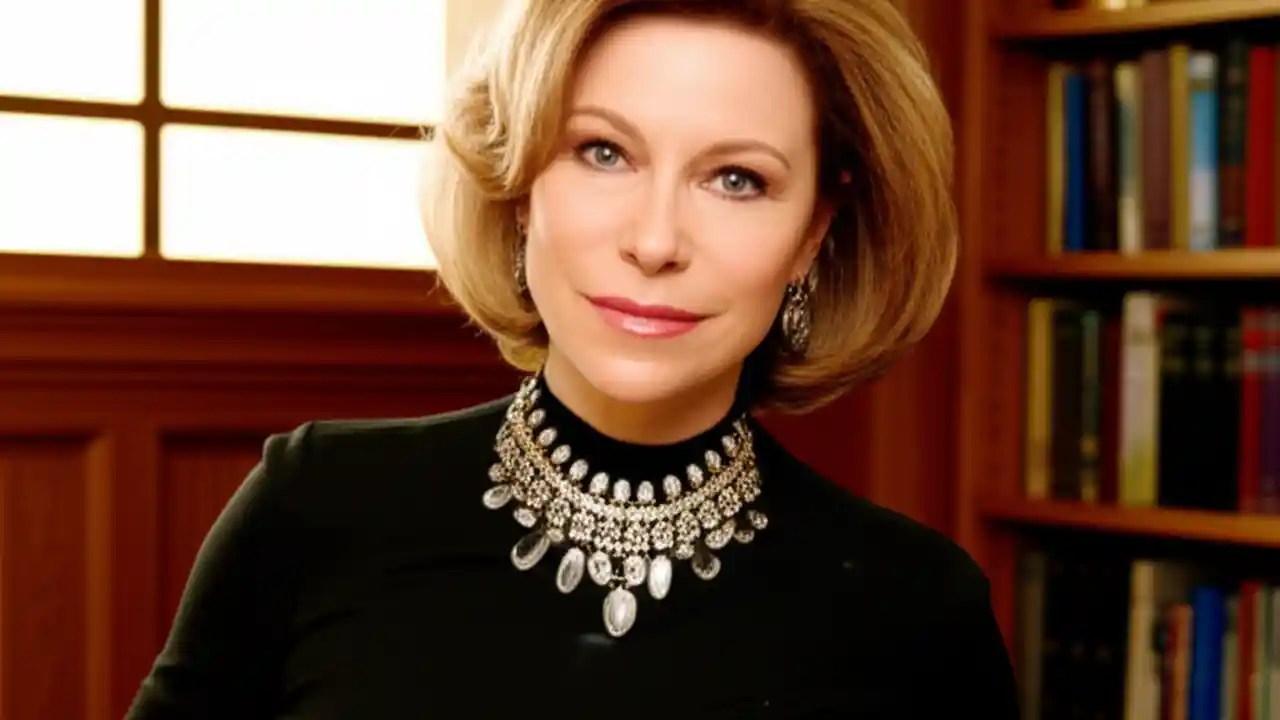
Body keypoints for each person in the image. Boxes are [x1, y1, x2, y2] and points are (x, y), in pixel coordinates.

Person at [127, 0, 1019, 717]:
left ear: (813, 234)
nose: (658, 239)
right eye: (603, 152)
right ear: (519, 188)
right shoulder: (315, 504)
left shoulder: (918, 609)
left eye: (736, 178)